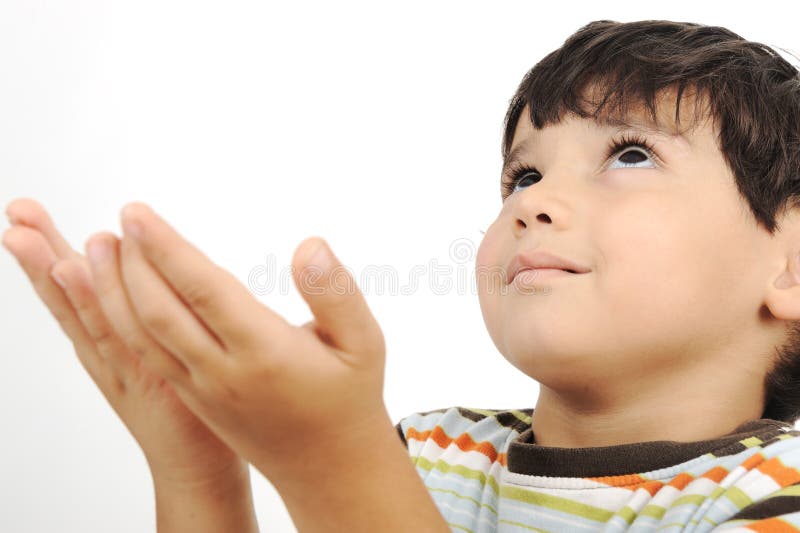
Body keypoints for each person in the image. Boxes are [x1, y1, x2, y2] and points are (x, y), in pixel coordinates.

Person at [4, 18, 800, 532]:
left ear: (791, 263)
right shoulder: (433, 452)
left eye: (629, 155)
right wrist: (198, 466)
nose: (533, 202)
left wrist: (331, 460)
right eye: (523, 175)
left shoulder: (774, 498)